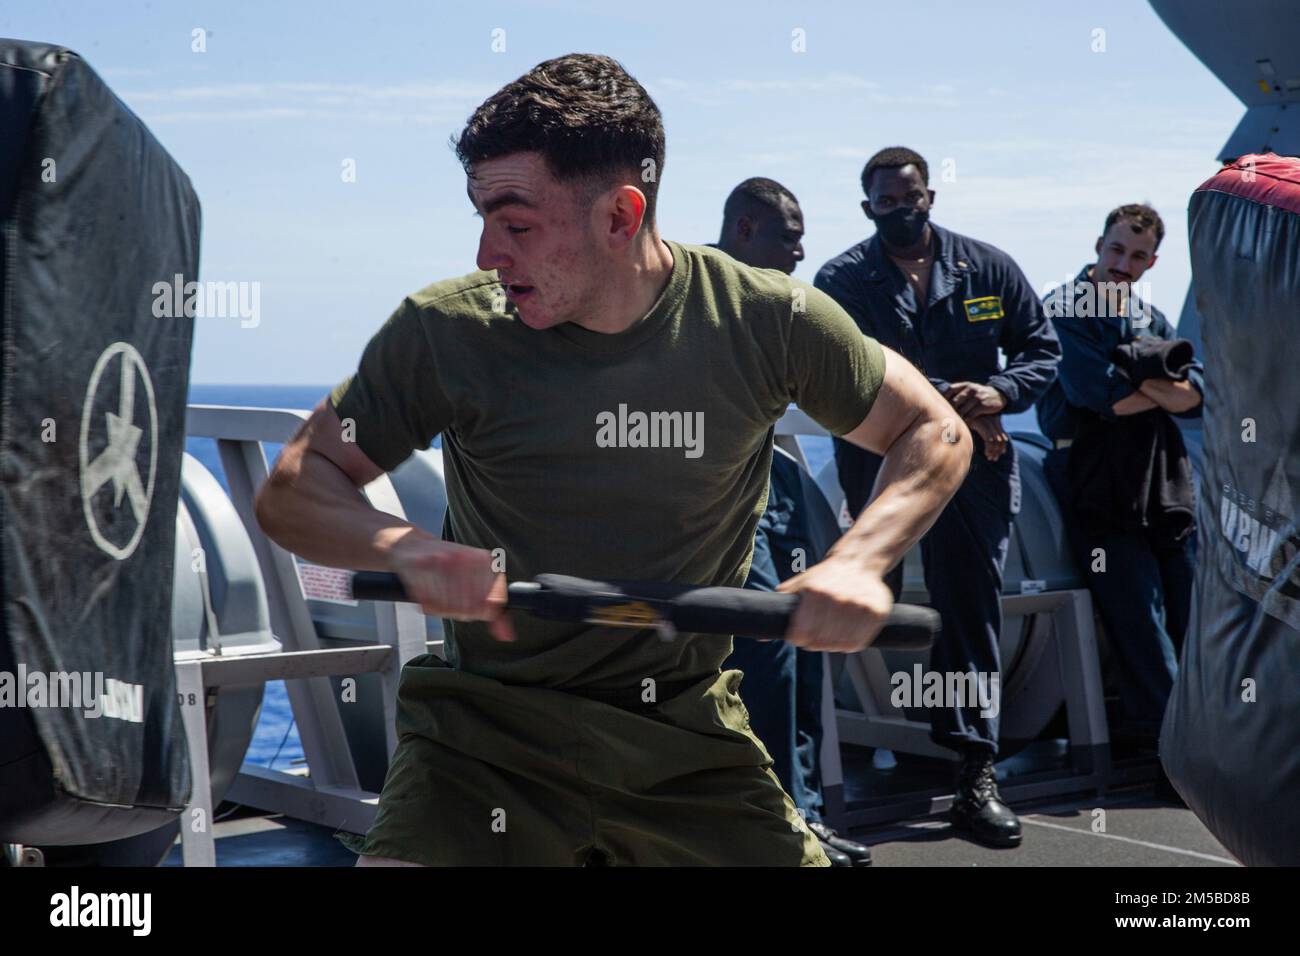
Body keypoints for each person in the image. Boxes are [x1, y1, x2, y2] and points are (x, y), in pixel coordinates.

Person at [255, 57, 972, 867]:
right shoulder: (446, 330)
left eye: (515, 223)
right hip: (481, 737)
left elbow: (936, 431)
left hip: (686, 734)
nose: (489, 254)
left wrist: (861, 561)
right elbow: (294, 487)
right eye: (481, 218)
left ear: (621, 216)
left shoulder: (771, 321)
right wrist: (404, 548)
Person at [814, 146, 1060, 849]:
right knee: (854, 604)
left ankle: (973, 775)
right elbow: (835, 373)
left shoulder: (987, 269)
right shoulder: (842, 281)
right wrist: (940, 414)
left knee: (970, 611)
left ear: (930, 195)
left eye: (911, 196)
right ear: (868, 209)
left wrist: (999, 393)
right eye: (886, 202)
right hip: (882, 473)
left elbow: (1041, 351)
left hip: (978, 476)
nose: (901, 210)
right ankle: (808, 784)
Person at [712, 176, 872, 867]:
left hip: (779, 481)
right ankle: (773, 824)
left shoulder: (786, 309)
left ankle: (803, 816)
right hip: (724, 498)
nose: (801, 256)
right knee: (766, 660)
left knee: (807, 651)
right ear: (746, 231)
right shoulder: (694, 300)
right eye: (789, 239)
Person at [1037, 204, 1202, 750]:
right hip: (1097, 478)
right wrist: (1151, 376)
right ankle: (1171, 760)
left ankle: (1201, 754)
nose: (1122, 264)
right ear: (1098, 244)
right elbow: (1096, 396)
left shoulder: (1150, 319)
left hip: (1163, 480)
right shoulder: (1064, 308)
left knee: (1192, 619)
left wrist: (1132, 372)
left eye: (1136, 256)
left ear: (1152, 261)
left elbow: (1196, 397)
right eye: (1115, 249)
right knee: (1142, 629)